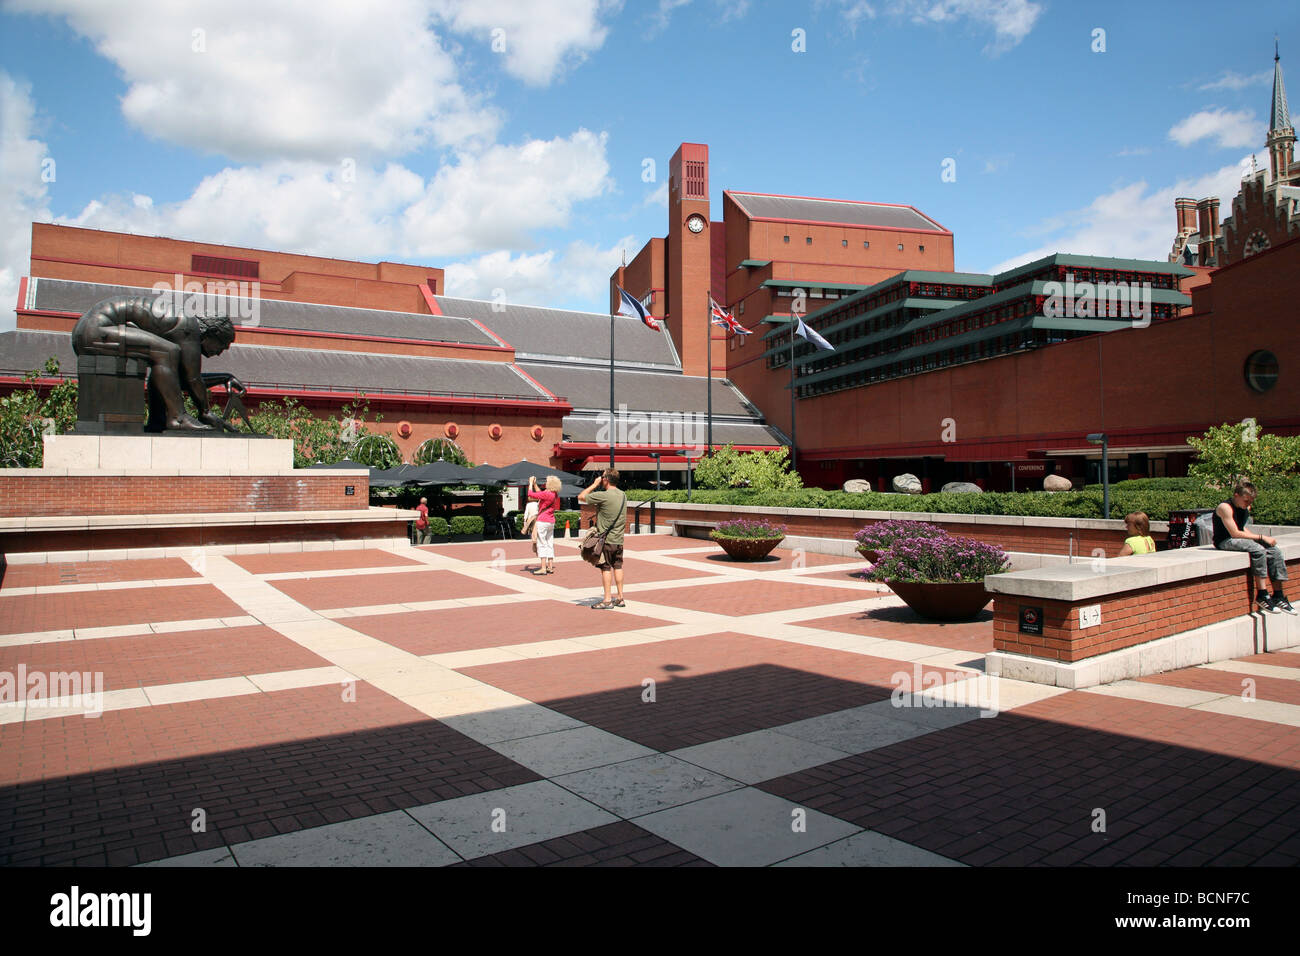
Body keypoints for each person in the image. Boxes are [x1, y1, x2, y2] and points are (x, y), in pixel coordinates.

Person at [71, 294, 238, 431]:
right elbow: (192, 379)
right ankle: (178, 419)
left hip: (84, 330)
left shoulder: (181, 323)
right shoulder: (188, 327)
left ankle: (158, 421)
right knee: (167, 352)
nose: (219, 353)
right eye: (222, 346)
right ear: (212, 332)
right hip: (96, 331)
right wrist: (205, 412)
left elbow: (177, 380)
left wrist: (224, 378)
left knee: (163, 364)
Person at [1213, 480, 1295, 614]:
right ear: (1236, 495)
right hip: (1225, 541)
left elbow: (1242, 528)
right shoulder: (1224, 507)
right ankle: (1262, 594)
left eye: (1251, 501)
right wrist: (1261, 538)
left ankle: (1278, 595)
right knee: (1258, 550)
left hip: (1238, 537)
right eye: (1246, 501)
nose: (1248, 504)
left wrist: (1260, 540)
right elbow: (1234, 533)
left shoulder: (1245, 508)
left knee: (1274, 551)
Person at [578, 469, 627, 609]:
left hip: (605, 540)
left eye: (602, 476)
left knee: (605, 567)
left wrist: (594, 484)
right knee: (618, 566)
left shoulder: (603, 495)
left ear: (606, 479)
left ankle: (607, 600)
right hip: (619, 539)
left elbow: (581, 496)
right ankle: (620, 597)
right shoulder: (623, 495)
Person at [527, 475, 561, 574]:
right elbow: (540, 493)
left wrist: (530, 483)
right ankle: (550, 566)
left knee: (542, 543)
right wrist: (535, 484)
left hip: (543, 520)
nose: (545, 483)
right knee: (550, 543)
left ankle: (543, 568)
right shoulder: (554, 494)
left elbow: (530, 494)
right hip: (551, 521)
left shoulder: (547, 494)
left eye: (547, 481)